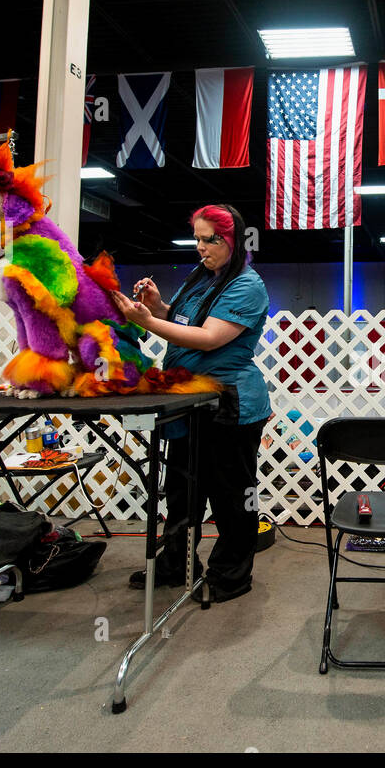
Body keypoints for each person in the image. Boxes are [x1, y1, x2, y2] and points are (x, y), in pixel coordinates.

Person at [111, 204, 271, 604]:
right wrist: (159, 307)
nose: (200, 247)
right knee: (182, 491)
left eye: (209, 240)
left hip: (228, 403)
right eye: (197, 239)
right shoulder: (201, 277)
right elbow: (183, 323)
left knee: (232, 496)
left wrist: (145, 322)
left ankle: (230, 575)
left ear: (232, 241)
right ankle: (176, 565)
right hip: (189, 401)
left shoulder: (247, 285)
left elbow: (209, 338)